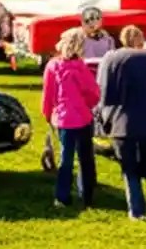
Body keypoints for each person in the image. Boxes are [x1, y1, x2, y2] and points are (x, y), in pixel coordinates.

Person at [98, 24, 146, 221]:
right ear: (141, 38)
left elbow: (105, 94)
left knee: (129, 168)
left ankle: (138, 211)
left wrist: (103, 119)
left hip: (121, 123)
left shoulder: (111, 59)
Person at [41, 28, 101, 209]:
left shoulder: (53, 66)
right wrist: (88, 105)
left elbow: (48, 94)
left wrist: (47, 113)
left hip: (64, 118)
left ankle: (62, 196)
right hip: (82, 116)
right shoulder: (81, 67)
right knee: (86, 158)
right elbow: (94, 93)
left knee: (65, 159)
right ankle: (88, 195)